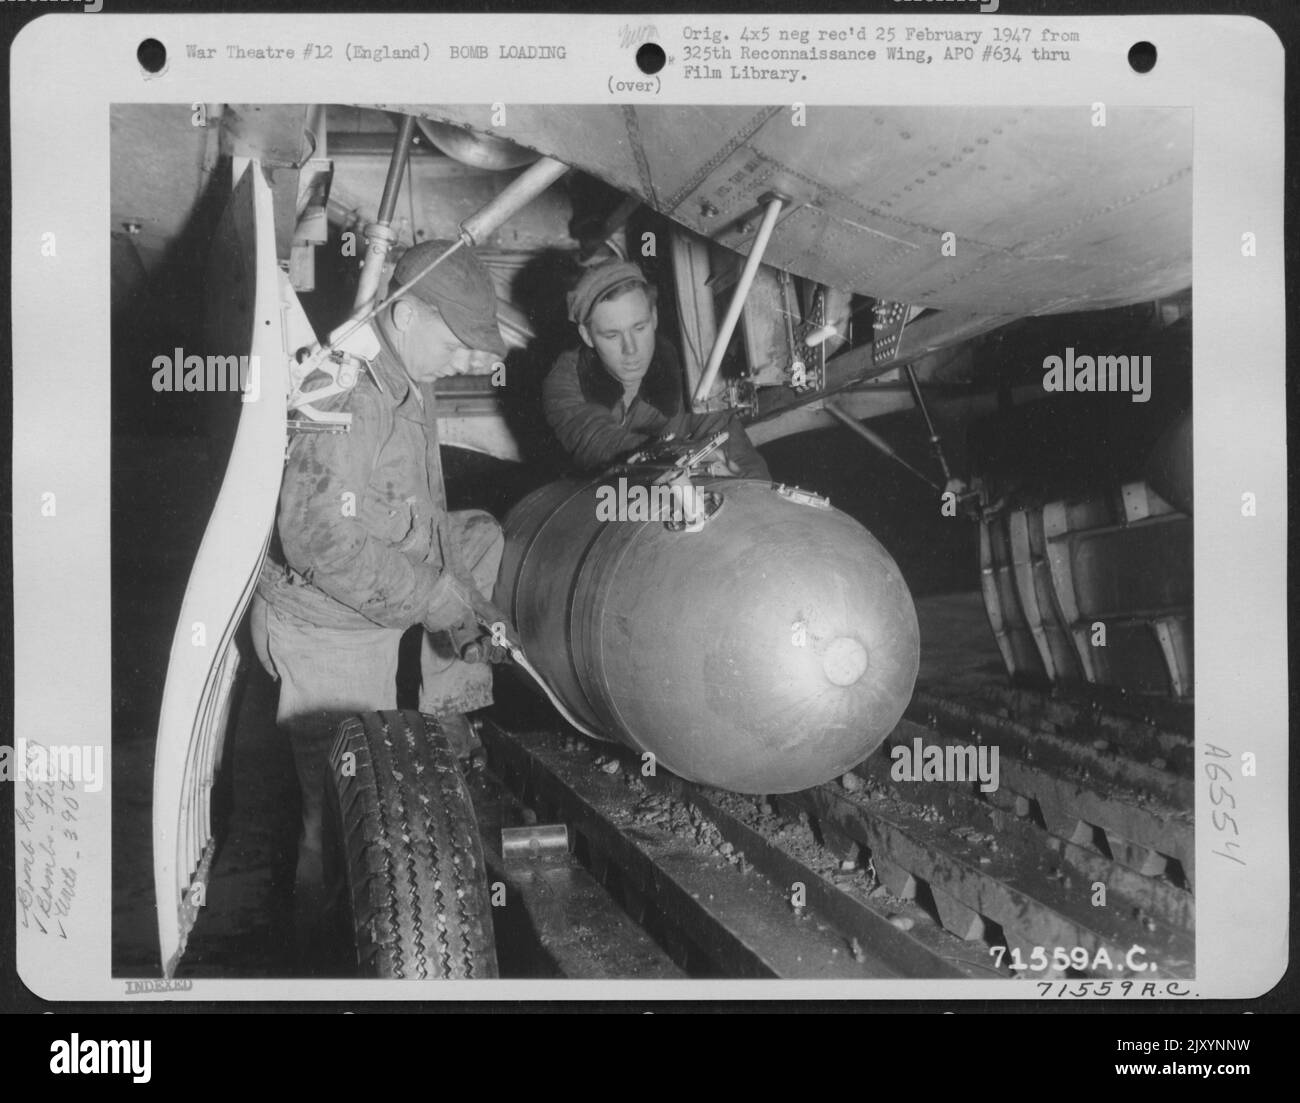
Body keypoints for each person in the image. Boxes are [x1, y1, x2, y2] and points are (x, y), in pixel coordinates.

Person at [249, 239, 517, 970]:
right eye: (457, 340)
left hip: (361, 613)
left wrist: (466, 598)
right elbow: (310, 535)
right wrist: (432, 594)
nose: (467, 358)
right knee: (337, 823)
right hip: (324, 634)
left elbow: (425, 510)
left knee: (480, 534)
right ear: (405, 311)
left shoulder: (408, 374)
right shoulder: (352, 388)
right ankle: (320, 964)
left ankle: (444, 731)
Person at [542, 260, 771, 479]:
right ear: (586, 336)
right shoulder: (564, 380)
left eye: (639, 328)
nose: (630, 349)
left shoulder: (693, 372)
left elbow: (739, 454)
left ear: (654, 318)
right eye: (612, 335)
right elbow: (598, 441)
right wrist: (679, 453)